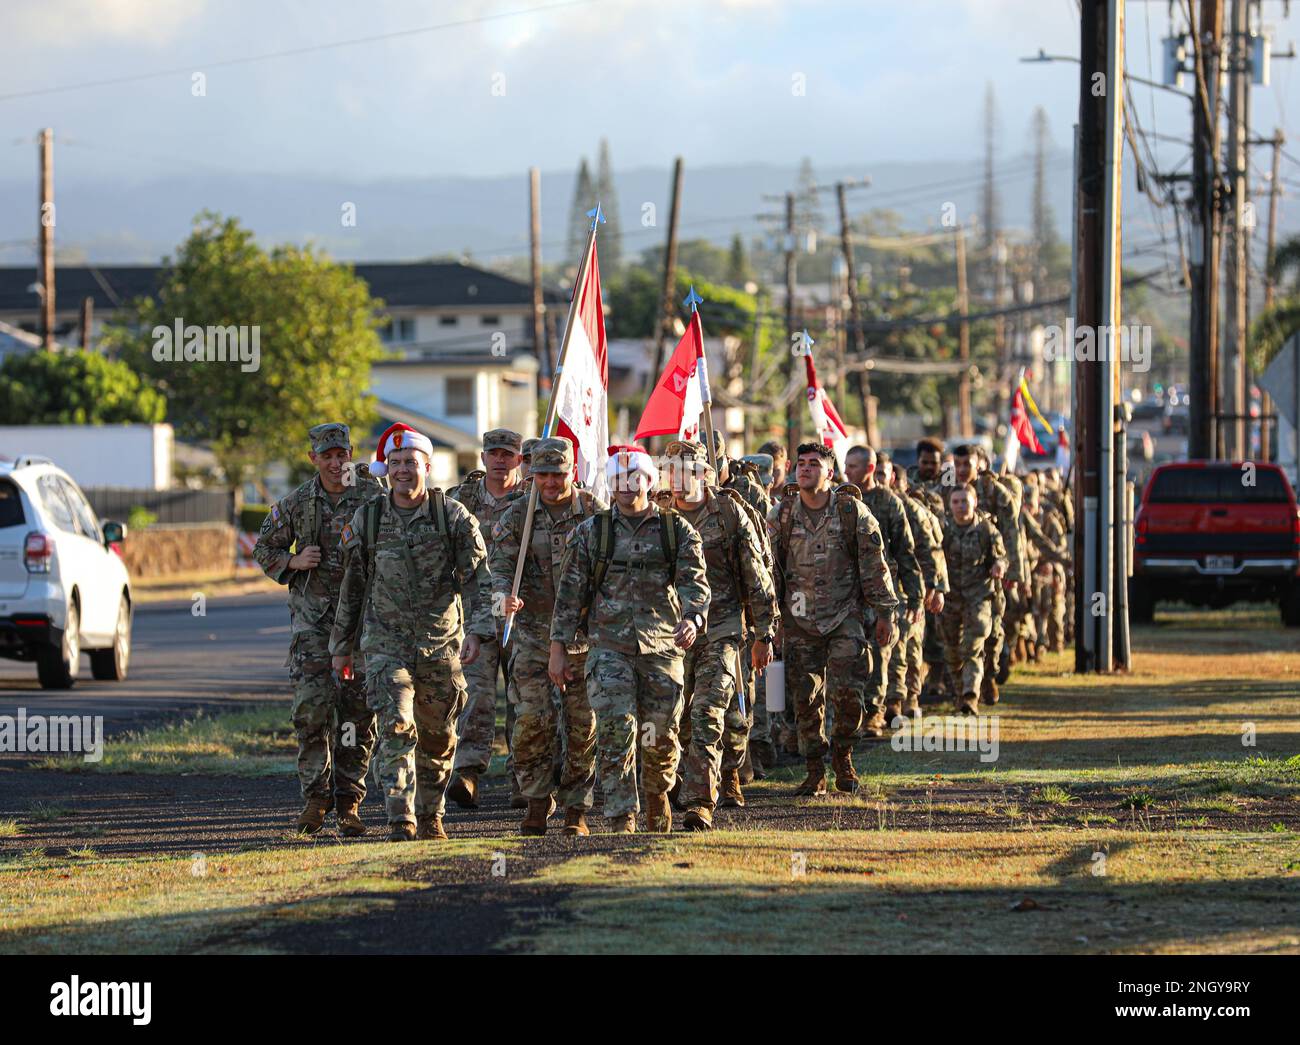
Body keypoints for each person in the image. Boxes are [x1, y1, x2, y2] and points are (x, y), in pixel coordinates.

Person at [330, 424, 493, 842]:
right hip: (385, 645)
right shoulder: (368, 519)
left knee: (438, 736)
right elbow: (353, 587)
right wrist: (341, 647)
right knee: (397, 725)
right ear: (387, 470)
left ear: (427, 465)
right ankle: (400, 817)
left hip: (441, 645)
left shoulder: (452, 517)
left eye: (411, 463)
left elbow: (477, 579)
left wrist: (478, 631)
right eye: (396, 463)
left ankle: (430, 814)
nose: (403, 470)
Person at [549, 445, 710, 833]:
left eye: (634, 477)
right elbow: (570, 594)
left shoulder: (675, 531)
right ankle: (622, 814)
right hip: (608, 649)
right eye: (618, 479)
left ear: (649, 481)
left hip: (661, 648)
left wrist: (693, 618)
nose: (625, 486)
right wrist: (558, 649)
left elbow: (695, 582)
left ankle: (657, 797)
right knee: (615, 728)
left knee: (660, 734)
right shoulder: (592, 532)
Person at [254, 422, 382, 836]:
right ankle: (315, 797)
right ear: (313, 459)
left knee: (356, 716)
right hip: (313, 626)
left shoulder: (373, 498)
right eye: (325, 455)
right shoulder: (297, 503)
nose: (334, 461)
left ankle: (349, 803)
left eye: (340, 453)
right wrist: (292, 561)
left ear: (350, 453)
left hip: (361, 625)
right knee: (312, 711)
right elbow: (263, 548)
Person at [490, 437, 605, 837]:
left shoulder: (593, 513)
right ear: (531, 474)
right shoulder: (516, 516)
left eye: (558, 474)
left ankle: (577, 809)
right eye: (543, 474)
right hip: (533, 638)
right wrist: (502, 598)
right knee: (530, 724)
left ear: (571, 471)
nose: (551, 483)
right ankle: (537, 802)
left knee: (581, 727)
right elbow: (498, 568)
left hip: (582, 641)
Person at [768, 443, 897, 796]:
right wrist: (771, 620)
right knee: (805, 699)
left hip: (844, 617)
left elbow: (875, 566)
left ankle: (843, 754)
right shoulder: (782, 514)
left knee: (848, 693)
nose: (805, 469)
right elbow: (771, 571)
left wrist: (885, 612)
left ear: (830, 472)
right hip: (798, 620)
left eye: (814, 464)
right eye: (801, 463)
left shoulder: (852, 511)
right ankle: (814, 770)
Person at [662, 440, 777, 830]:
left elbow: (756, 577)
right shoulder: (659, 515)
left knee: (710, 713)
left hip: (722, 630)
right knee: (676, 721)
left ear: (704, 474)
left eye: (687, 471)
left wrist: (764, 633)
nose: (678, 480)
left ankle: (701, 801)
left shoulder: (729, 513)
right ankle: (687, 779)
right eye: (672, 471)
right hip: (670, 635)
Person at [446, 429, 526, 809]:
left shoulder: (531, 501)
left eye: (507, 454)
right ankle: (467, 773)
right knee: (475, 696)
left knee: (524, 699)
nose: (499, 460)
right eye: (493, 453)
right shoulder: (460, 500)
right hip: (475, 613)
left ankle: (523, 778)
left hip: (521, 614)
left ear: (519, 459)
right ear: (482, 457)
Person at [843, 446, 924, 729]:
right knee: (850, 654)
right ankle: (853, 712)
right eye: (845, 465)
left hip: (880, 591)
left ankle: (875, 711)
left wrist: (915, 597)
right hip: (847, 592)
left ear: (868, 468)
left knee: (880, 653)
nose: (846, 471)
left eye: (852, 466)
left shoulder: (889, 503)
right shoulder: (841, 501)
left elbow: (905, 551)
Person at [938, 482, 1007, 716]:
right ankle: (960, 693)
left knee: (973, 646)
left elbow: (1001, 556)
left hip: (978, 595)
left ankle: (970, 696)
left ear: (974, 502)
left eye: (964, 501)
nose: (960, 506)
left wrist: (998, 565)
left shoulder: (987, 530)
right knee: (951, 650)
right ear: (950, 504)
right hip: (949, 597)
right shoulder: (943, 529)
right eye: (955, 502)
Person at [889, 466, 948, 716]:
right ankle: (890, 700)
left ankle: (908, 697)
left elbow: (931, 550)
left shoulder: (914, 511)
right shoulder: (871, 505)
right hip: (883, 585)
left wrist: (935, 587)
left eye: (886, 476)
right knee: (892, 646)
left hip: (912, 585)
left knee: (908, 644)